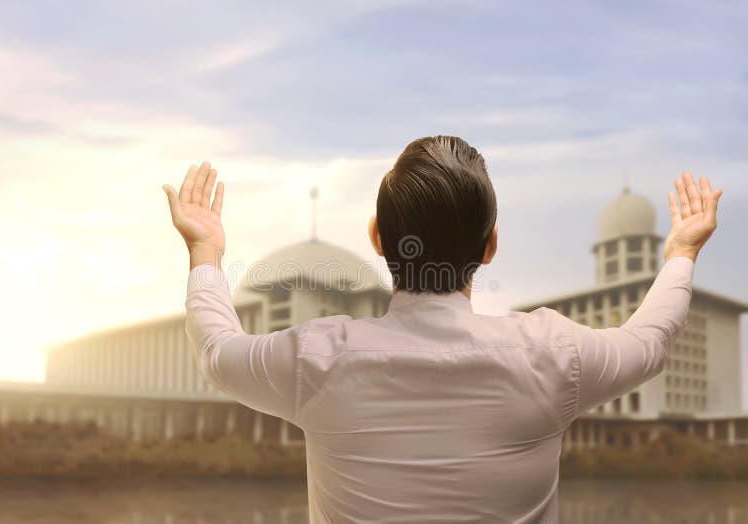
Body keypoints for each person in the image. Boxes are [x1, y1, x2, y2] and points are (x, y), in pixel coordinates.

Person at [162, 136, 722, 523]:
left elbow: (216, 348)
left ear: (377, 238)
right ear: (490, 246)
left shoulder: (319, 361)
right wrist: (680, 253)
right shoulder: (552, 355)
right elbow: (650, 342)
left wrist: (205, 249)